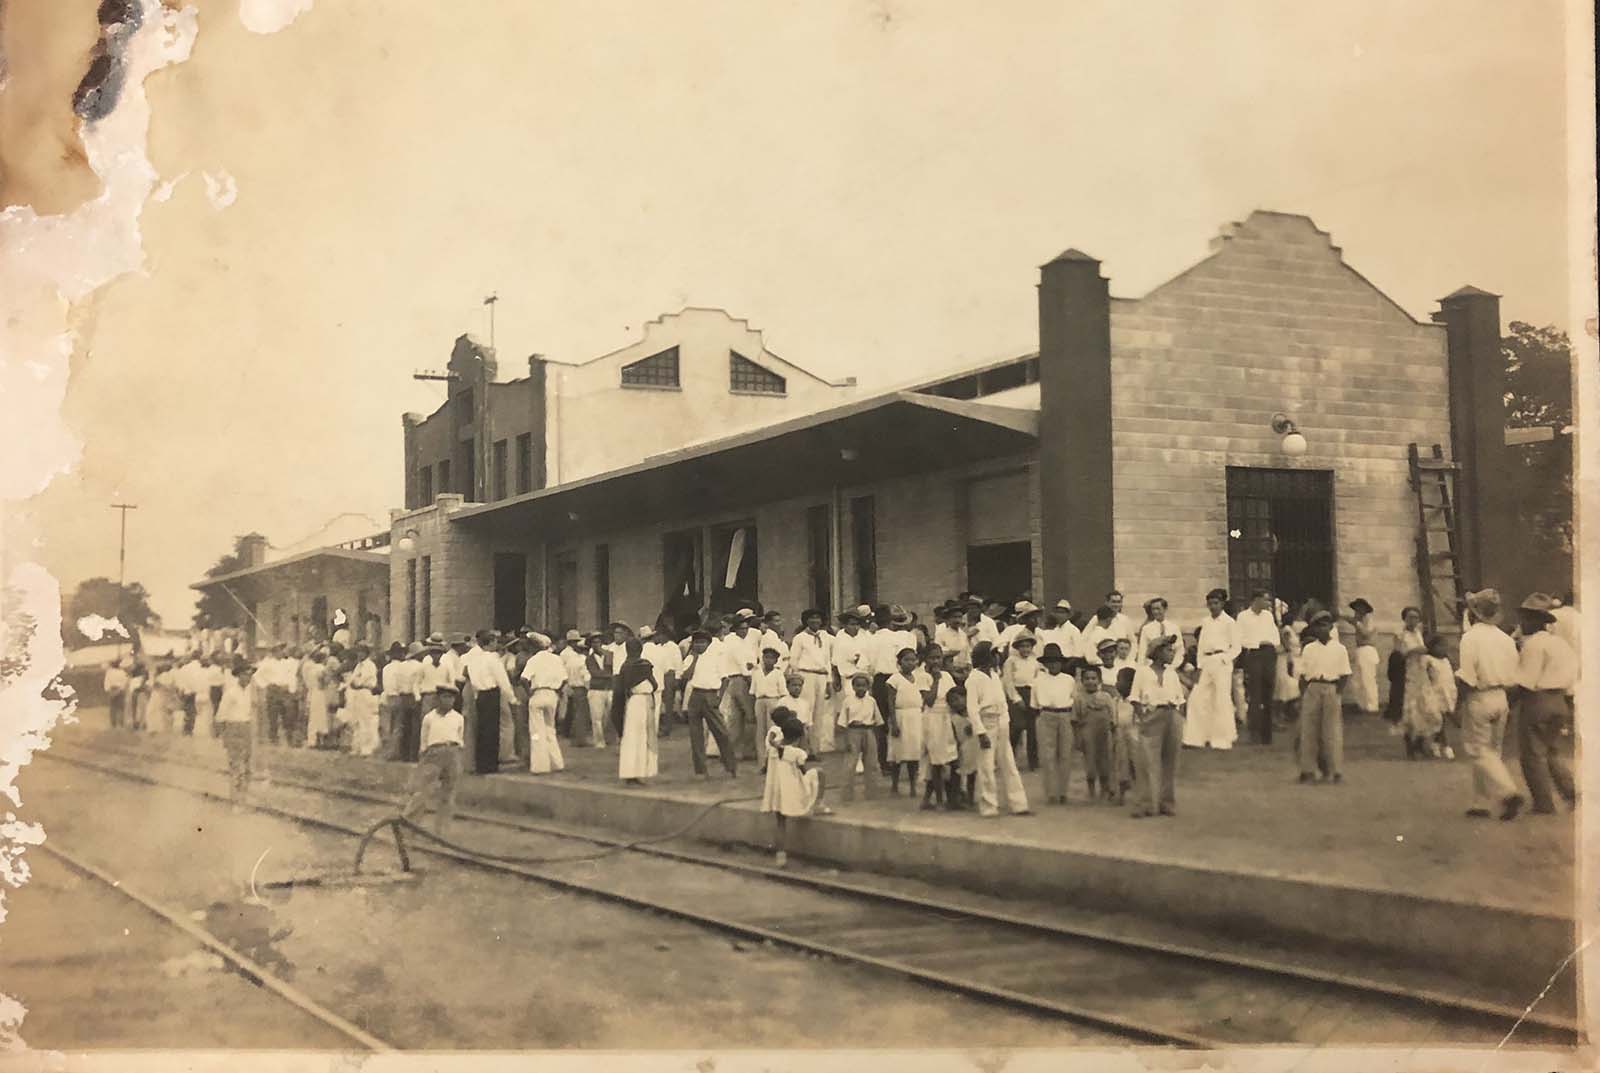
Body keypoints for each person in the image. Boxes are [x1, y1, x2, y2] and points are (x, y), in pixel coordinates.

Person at [1455, 589, 1525, 821]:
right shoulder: (1505, 639)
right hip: (1501, 696)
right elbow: (1515, 675)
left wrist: (1459, 703)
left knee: (1478, 750)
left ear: (1473, 612)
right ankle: (1480, 802)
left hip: (1479, 695)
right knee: (1492, 752)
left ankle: (1509, 792)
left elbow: (1467, 676)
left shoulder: (1470, 638)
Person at [1514, 593, 1577, 815]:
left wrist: (1510, 702)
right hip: (1560, 700)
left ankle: (1543, 803)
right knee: (1551, 750)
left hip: (1538, 700)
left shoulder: (1533, 646)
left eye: (1525, 619)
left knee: (1532, 754)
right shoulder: (1559, 644)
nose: (1522, 624)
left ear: (1534, 620)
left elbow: (1526, 682)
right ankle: (1570, 791)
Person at [968, 642, 1030, 818]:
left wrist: (1006, 723)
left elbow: (1003, 703)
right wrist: (980, 732)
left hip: (1001, 722)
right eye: (994, 654)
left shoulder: (995, 676)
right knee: (986, 766)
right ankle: (989, 806)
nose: (997, 657)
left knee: (1009, 764)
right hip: (985, 723)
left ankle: (1019, 804)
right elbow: (972, 708)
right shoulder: (974, 678)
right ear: (985, 657)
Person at [761, 710, 830, 867]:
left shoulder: (772, 749)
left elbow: (772, 752)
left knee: (780, 822)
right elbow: (803, 771)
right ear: (799, 737)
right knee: (819, 773)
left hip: (777, 791)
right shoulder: (797, 753)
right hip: (792, 789)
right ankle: (818, 803)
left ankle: (781, 856)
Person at [1129, 635, 1186, 818]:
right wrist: (1143, 717)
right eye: (1168, 650)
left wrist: (1178, 715)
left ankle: (1166, 802)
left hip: (1171, 713)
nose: (1171, 653)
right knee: (1147, 760)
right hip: (1152, 715)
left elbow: (1179, 698)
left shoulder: (1171, 674)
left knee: (1170, 760)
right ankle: (1146, 803)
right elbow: (1135, 698)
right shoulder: (1143, 672)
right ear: (1158, 652)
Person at [401, 684, 466, 835]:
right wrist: (424, 755)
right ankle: (408, 824)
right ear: (438, 699)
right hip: (434, 753)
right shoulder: (429, 718)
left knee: (448, 794)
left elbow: (460, 737)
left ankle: (442, 831)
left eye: (451, 698)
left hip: (453, 752)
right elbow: (423, 740)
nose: (448, 701)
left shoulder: (458, 718)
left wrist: (457, 754)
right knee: (422, 791)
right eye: (445, 697)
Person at [1295, 611, 1351, 784]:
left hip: (1331, 686)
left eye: (1325, 625)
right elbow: (1303, 675)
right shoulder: (1309, 649)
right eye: (1317, 626)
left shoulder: (1340, 649)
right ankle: (1308, 770)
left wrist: (1337, 692)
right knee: (1308, 731)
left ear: (1331, 627)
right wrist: (1304, 693)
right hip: (1313, 687)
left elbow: (1345, 674)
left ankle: (1335, 770)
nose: (1321, 629)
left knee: (1331, 731)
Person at [1184, 589, 1240, 750]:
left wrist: (1224, 658)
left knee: (1221, 699)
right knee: (1198, 697)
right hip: (1206, 662)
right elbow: (1201, 646)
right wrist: (1200, 665)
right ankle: (1196, 737)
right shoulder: (1206, 621)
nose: (1213, 606)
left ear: (1222, 604)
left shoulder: (1229, 622)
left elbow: (1236, 647)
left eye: (1216, 603)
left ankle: (1222, 739)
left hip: (1221, 661)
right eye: (1210, 604)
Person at [679, 628, 739, 778]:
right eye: (697, 643)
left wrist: (719, 698)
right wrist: (694, 659)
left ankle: (730, 766)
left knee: (721, 732)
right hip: (695, 695)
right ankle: (701, 770)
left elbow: (725, 679)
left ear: (708, 643)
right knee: (696, 734)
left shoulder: (715, 657)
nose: (699, 646)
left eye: (702, 643)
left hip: (711, 694)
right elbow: (685, 676)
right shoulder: (690, 658)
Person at [1032, 643, 1077, 805]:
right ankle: (1051, 793)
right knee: (1047, 755)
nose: (1054, 665)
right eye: (1050, 662)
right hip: (1046, 714)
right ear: (1045, 664)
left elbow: (1074, 699)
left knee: (1065, 754)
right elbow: (1035, 703)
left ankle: (1063, 792)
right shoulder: (1038, 680)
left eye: (1056, 661)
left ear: (1061, 662)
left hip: (1065, 714)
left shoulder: (1069, 680)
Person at [1236, 589, 1281, 746]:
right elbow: (1240, 638)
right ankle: (1254, 733)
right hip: (1254, 654)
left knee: (1268, 694)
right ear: (1256, 600)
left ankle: (1266, 735)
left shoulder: (1268, 616)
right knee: (1255, 694)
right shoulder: (1243, 617)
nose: (1268, 603)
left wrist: (1272, 644)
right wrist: (1257, 643)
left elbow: (1274, 635)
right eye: (1265, 600)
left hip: (1269, 654)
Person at [519, 633, 568, 774]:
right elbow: (564, 679)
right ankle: (556, 763)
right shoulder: (557, 659)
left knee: (536, 732)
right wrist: (557, 691)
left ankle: (540, 766)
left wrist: (530, 693)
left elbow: (523, 679)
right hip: (552, 694)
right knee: (550, 729)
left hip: (538, 693)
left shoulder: (534, 660)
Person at [614, 638, 660, 786]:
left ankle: (630, 772)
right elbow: (655, 684)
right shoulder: (645, 665)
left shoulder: (625, 666)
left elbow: (621, 689)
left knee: (631, 736)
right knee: (643, 736)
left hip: (633, 702)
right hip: (645, 701)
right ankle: (640, 771)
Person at [1404, 633, 1456, 760]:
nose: (1444, 648)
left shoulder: (1446, 660)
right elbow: (1423, 677)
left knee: (1439, 721)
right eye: (1440, 646)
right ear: (1432, 647)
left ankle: (1434, 745)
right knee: (1436, 721)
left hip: (1446, 694)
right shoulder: (1427, 659)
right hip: (1432, 694)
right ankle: (1445, 745)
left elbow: (1449, 678)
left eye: (1445, 646)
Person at [919, 645, 958, 810]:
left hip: (947, 717)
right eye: (932, 658)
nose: (936, 661)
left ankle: (949, 798)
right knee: (936, 760)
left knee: (950, 757)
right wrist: (935, 679)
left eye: (939, 658)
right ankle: (940, 800)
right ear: (926, 659)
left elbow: (953, 696)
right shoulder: (922, 676)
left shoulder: (947, 676)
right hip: (932, 719)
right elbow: (929, 700)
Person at [214, 657, 257, 809]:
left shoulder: (250, 693)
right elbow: (221, 714)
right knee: (235, 766)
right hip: (233, 728)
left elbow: (252, 712)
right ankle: (235, 801)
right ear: (239, 676)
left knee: (246, 766)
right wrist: (221, 733)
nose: (248, 678)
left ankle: (244, 798)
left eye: (250, 675)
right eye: (245, 674)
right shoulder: (230, 693)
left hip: (246, 728)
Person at [789, 610, 835, 751]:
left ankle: (815, 748)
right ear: (806, 621)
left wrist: (828, 682)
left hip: (821, 676)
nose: (815, 621)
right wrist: (797, 680)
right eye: (812, 618)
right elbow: (794, 660)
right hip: (806, 676)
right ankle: (803, 746)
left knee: (819, 713)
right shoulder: (800, 638)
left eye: (818, 618)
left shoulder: (825, 637)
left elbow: (827, 661)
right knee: (805, 711)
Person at [835, 672, 883, 802]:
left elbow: (878, 721)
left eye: (863, 685)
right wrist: (846, 741)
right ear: (853, 686)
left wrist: (875, 739)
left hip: (868, 731)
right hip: (853, 732)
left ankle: (872, 794)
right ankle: (847, 795)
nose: (860, 688)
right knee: (850, 764)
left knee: (872, 764)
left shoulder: (871, 701)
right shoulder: (848, 701)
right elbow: (843, 722)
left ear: (868, 687)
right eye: (857, 685)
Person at [886, 646, 927, 797]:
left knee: (914, 753)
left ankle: (912, 786)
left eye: (913, 660)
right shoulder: (894, 680)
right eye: (906, 660)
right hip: (901, 716)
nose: (910, 663)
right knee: (898, 754)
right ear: (899, 662)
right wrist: (894, 723)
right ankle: (895, 785)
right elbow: (890, 702)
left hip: (916, 717)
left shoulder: (920, 677)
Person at [1394, 608, 1431, 758]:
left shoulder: (1418, 633)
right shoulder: (1400, 635)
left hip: (1421, 673)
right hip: (1408, 674)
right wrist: (1415, 650)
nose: (1413, 620)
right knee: (1409, 710)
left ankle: (1420, 744)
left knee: (1425, 708)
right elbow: (1398, 655)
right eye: (1410, 617)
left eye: (1416, 617)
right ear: (1404, 619)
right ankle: (1410, 746)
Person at [1002, 633, 1041, 771]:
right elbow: (1008, 682)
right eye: (1022, 646)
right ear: (1017, 648)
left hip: (1031, 694)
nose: (1025, 649)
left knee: (1033, 729)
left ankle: (1033, 762)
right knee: (1016, 728)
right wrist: (1016, 699)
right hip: (1017, 694)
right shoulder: (1011, 661)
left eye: (1028, 646)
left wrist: (1036, 698)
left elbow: (1038, 679)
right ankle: (1010, 760)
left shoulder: (1035, 661)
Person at [830, 609, 870, 741]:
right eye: (851, 624)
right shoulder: (840, 638)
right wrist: (836, 679)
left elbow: (868, 655)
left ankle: (863, 737)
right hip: (848, 678)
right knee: (850, 707)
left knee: (865, 706)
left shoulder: (864, 637)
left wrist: (860, 660)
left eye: (857, 624)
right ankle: (850, 738)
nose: (855, 627)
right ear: (845, 625)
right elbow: (835, 661)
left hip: (863, 676)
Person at [750, 646, 789, 774]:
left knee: (772, 732)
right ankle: (762, 763)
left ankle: (773, 762)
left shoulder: (778, 674)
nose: (768, 660)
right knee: (760, 733)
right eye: (766, 657)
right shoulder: (756, 672)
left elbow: (783, 693)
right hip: (760, 701)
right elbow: (753, 691)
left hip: (774, 701)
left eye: (771, 658)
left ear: (776, 660)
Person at [640, 626, 682, 741]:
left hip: (644, 684)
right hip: (659, 682)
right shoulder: (660, 650)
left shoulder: (640, 650)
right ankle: (654, 731)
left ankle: (646, 732)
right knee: (656, 708)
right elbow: (667, 668)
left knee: (645, 707)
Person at [1343, 598, 1381, 715]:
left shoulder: (1369, 619)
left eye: (1358, 609)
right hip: (1360, 650)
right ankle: (1362, 704)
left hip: (1368, 650)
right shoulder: (1359, 620)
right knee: (1358, 680)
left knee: (1368, 679)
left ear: (1364, 609)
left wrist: (1356, 623)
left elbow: (1366, 633)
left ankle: (1372, 705)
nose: (1356, 612)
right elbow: (1348, 619)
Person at [346, 643, 383, 758]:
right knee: (357, 720)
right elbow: (353, 680)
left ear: (366, 653)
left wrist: (356, 683)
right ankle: (357, 746)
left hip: (366, 693)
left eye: (362, 652)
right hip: (358, 695)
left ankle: (367, 748)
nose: (359, 654)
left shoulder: (369, 665)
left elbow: (362, 680)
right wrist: (354, 682)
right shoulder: (359, 665)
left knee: (367, 720)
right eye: (358, 652)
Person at [946, 684, 979, 809]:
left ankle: (970, 798)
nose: (954, 703)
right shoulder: (952, 718)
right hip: (959, 748)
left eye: (957, 699)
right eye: (951, 701)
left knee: (972, 773)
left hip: (972, 747)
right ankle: (955, 799)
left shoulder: (973, 714)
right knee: (956, 773)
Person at [1134, 598, 1181, 668]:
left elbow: (1180, 649)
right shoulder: (1146, 628)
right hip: (1151, 666)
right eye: (1153, 609)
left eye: (1158, 609)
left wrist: (1173, 666)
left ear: (1165, 609)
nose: (1155, 612)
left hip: (1170, 666)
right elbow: (1142, 651)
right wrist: (1142, 668)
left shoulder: (1174, 627)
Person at [301, 648, 333, 748]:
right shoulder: (321, 668)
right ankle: (321, 740)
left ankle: (312, 740)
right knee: (321, 716)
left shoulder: (309, 668)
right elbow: (324, 681)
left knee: (312, 716)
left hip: (311, 691)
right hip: (320, 692)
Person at [103, 659, 128, 729]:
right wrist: (119, 690)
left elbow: (107, 682)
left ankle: (117, 723)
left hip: (116, 690)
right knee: (117, 707)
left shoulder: (112, 672)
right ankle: (116, 723)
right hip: (116, 690)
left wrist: (109, 690)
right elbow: (125, 682)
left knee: (116, 707)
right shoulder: (120, 672)